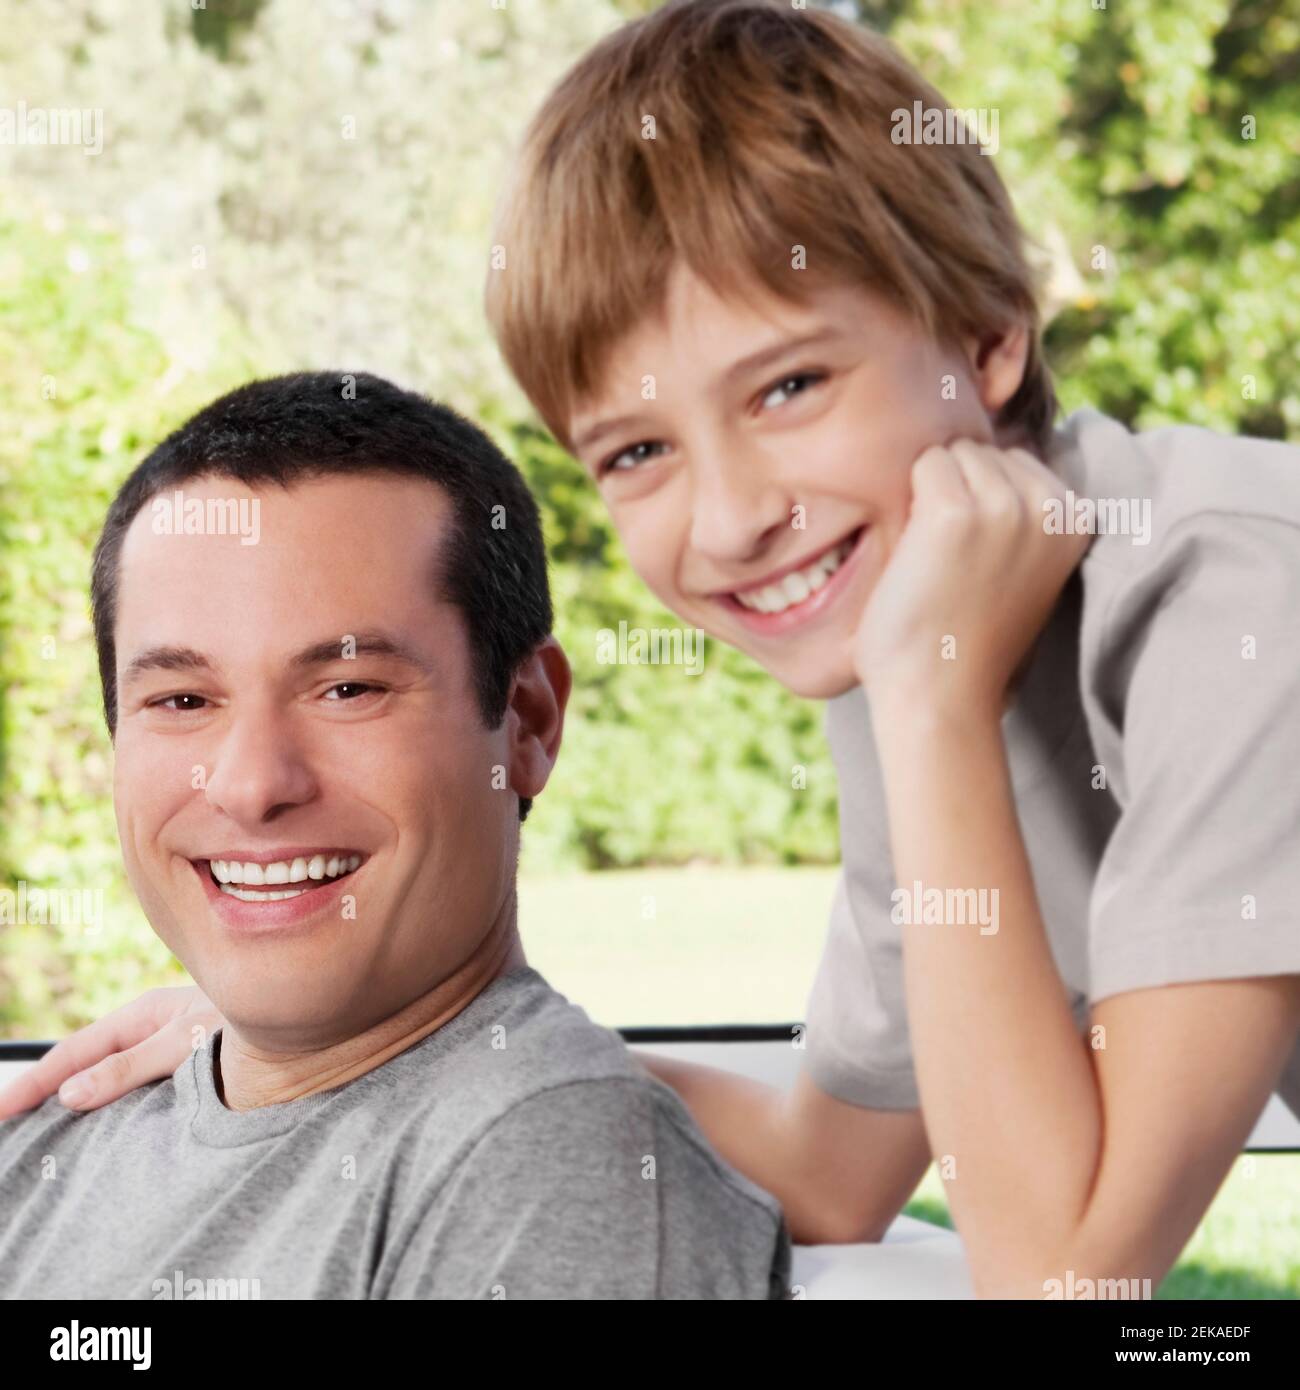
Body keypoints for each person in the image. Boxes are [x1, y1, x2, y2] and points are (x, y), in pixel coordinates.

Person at [7, 0, 1299, 1298]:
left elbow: (1068, 1279)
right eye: (637, 450)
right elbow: (840, 1160)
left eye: (789, 387)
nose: (733, 518)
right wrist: (344, 1036)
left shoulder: (1229, 596)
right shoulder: (912, 616)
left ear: (990, 338)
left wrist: (934, 702)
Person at [0, 371, 791, 1300]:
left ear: (528, 722)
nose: (253, 786)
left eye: (349, 690)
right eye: (182, 699)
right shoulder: (53, 1138)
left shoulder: (551, 1148)